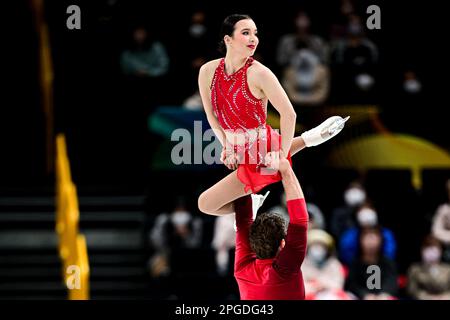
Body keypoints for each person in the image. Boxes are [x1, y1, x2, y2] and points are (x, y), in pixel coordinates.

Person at [197, 14, 348, 216]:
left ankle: (252, 205)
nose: (253, 38)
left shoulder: (260, 73)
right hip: (243, 149)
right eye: (245, 33)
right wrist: (227, 146)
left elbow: (289, 114)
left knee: (205, 204)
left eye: (255, 33)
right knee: (218, 201)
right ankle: (309, 138)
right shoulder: (207, 71)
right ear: (228, 39)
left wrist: (280, 157)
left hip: (261, 156)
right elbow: (211, 115)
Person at [233, 152, 308, 299]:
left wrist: (286, 171)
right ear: (282, 243)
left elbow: (300, 221)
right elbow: (243, 221)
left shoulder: (243, 270)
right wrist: (239, 164)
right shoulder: (283, 270)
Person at [407, 235, 450, 300]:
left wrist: (444, 297)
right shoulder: (414, 269)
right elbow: (412, 290)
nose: (431, 253)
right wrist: (428, 297)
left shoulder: (447, 269)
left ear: (440, 251)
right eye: (427, 249)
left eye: (434, 249)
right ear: (422, 251)